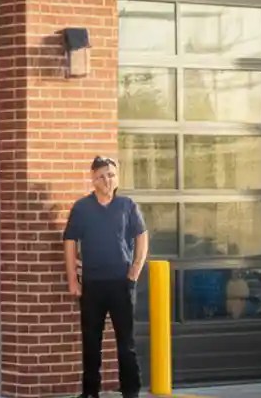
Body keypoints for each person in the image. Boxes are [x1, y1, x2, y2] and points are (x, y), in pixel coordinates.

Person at [62, 155, 149, 398]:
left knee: (126, 343)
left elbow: (141, 236)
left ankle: (130, 391)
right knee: (91, 341)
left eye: (111, 175)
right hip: (92, 285)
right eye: (101, 176)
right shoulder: (82, 208)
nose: (107, 180)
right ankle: (90, 392)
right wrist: (72, 280)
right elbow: (70, 242)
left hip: (122, 284)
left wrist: (135, 270)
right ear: (93, 179)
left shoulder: (127, 205)